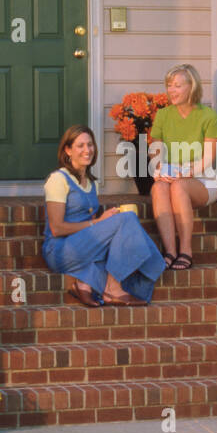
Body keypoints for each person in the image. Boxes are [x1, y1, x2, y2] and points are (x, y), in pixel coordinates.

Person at [42, 125, 165, 307]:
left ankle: (84, 284)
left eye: (90, 145)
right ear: (68, 150)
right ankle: (113, 288)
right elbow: (57, 228)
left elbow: (96, 231)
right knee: (128, 219)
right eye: (80, 145)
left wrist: (104, 222)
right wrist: (98, 222)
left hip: (85, 244)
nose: (87, 150)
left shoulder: (92, 183)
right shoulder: (58, 180)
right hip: (60, 249)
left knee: (121, 236)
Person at [149, 63, 217, 270]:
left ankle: (186, 250)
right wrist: (159, 167)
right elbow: (155, 151)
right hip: (174, 176)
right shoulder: (163, 115)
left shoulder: (208, 116)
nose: (171, 90)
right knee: (159, 187)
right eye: (169, 85)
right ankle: (170, 251)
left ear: (193, 87)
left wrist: (184, 172)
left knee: (178, 186)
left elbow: (208, 159)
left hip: (203, 180)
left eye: (178, 86)